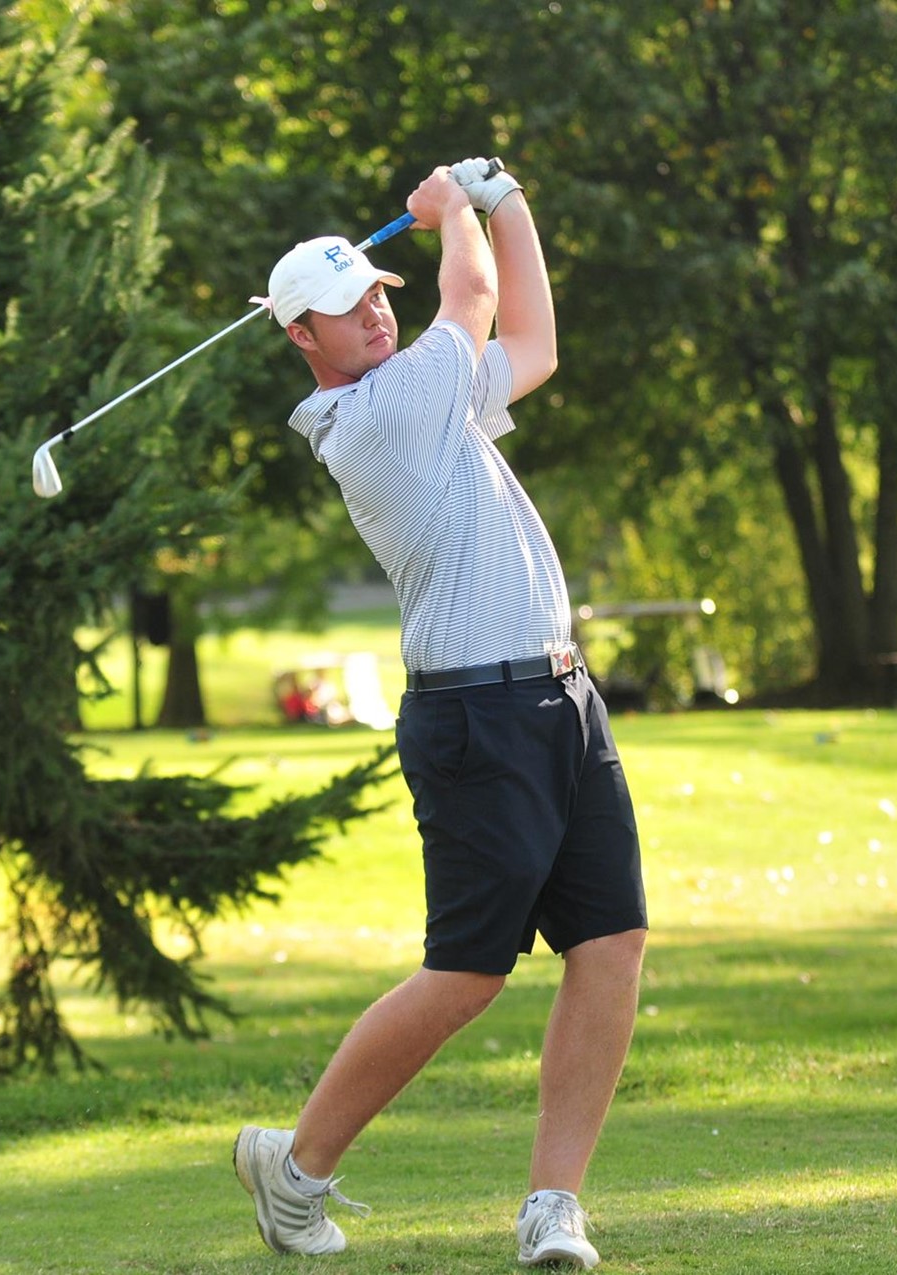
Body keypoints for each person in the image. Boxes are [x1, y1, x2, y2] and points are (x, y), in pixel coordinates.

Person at [232, 158, 648, 1271]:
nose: (371, 312)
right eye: (340, 310)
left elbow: (538, 342)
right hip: (477, 718)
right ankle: (297, 1168)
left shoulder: (431, 388)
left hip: (560, 700)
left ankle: (553, 1206)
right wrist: (450, 211)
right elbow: (468, 299)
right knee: (468, 968)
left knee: (609, 944)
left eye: (374, 292)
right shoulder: (370, 412)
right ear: (300, 340)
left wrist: (507, 205)